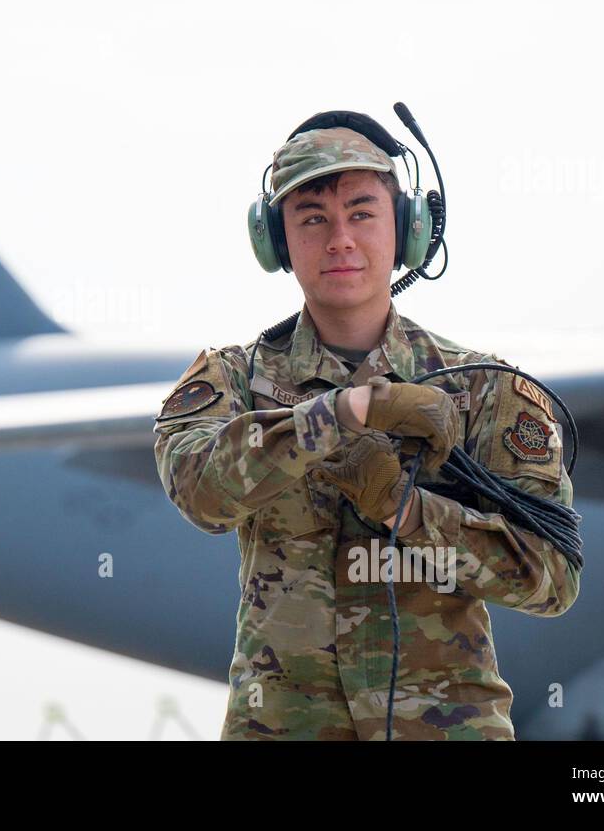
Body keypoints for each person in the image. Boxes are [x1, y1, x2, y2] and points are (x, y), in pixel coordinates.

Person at [152, 121, 581, 740]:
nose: (340, 240)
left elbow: (551, 577)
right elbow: (201, 493)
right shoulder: (234, 379)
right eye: (312, 219)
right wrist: (344, 413)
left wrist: (407, 511)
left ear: (408, 228)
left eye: (362, 213)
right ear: (276, 241)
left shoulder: (482, 390)